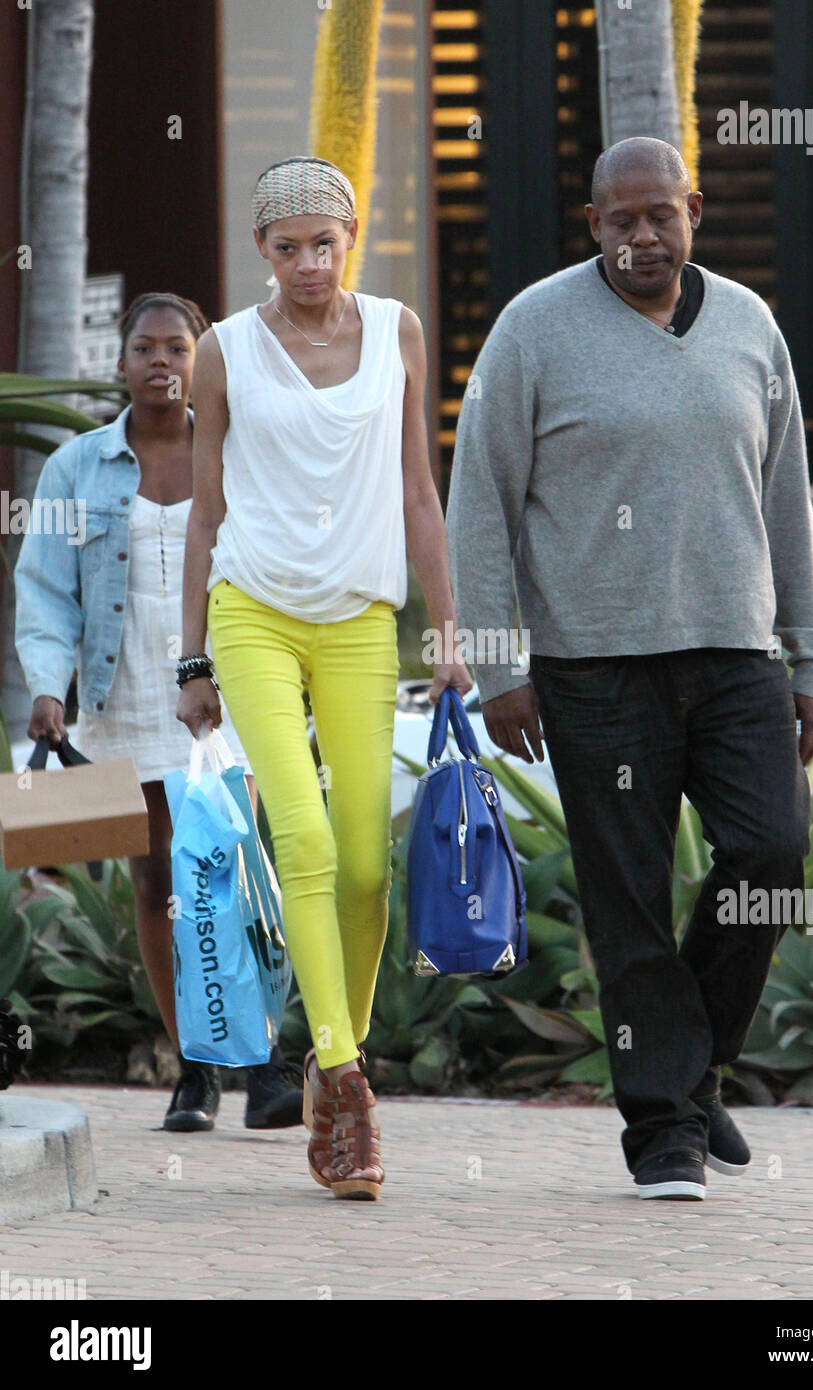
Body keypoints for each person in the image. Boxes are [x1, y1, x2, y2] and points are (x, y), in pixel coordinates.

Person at [446, 137, 813, 1201]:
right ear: (591, 227)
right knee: (626, 902)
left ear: (692, 211)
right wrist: (497, 667)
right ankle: (662, 1128)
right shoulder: (533, 329)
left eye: (656, 214)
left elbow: (785, 503)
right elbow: (477, 503)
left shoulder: (751, 327)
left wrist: (811, 657)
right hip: (592, 670)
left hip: (737, 657)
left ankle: (689, 1060)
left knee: (769, 853)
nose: (639, 235)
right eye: (617, 219)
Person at [176, 156, 471, 1200]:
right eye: (287, 245)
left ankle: (324, 1050)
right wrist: (191, 653)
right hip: (251, 616)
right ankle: (345, 1086)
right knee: (297, 837)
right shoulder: (222, 353)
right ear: (261, 249)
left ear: (353, 234)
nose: (308, 261)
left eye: (324, 240)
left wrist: (447, 630)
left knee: (362, 866)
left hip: (358, 619)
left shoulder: (397, 330)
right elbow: (204, 512)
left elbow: (418, 491)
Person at [14, 292, 304, 1134]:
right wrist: (45, 684)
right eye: (145, 348)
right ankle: (196, 1071)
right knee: (156, 884)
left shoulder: (241, 451)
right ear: (120, 363)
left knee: (232, 872)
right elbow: (43, 591)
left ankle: (262, 1060)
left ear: (203, 360)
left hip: (229, 689)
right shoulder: (76, 467)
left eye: (178, 348)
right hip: (122, 689)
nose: (161, 363)